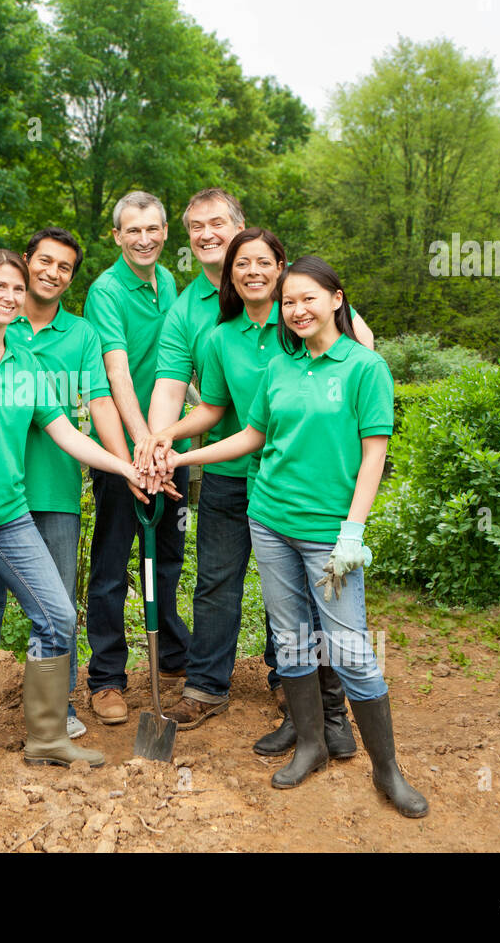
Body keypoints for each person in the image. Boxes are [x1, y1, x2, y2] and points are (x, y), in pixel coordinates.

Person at [162, 256, 428, 818]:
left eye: (308, 298)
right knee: (290, 638)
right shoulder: (280, 368)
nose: (297, 309)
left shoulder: (363, 367)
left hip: (329, 533)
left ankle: (389, 772)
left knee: (351, 649)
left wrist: (352, 532)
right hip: (271, 521)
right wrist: (183, 455)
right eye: (289, 302)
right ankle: (310, 745)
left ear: (336, 299)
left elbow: (374, 454)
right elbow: (252, 435)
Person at [139, 221, 371, 759]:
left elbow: (358, 356)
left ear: (282, 266)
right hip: (229, 478)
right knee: (217, 583)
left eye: (263, 261)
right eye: (242, 264)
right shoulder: (220, 337)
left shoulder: (303, 329)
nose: (252, 271)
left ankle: (300, 698)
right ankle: (206, 687)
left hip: (295, 485)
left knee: (298, 602)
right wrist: (166, 436)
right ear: (230, 275)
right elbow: (217, 411)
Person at [0, 248, 146, 772]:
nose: (10, 297)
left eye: (16, 290)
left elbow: (64, 433)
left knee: (58, 613)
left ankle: (45, 737)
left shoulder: (26, 363)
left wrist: (124, 466)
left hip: (11, 514)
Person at [81, 191, 190, 725]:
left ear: (165, 231)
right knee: (110, 565)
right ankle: (106, 678)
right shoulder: (106, 292)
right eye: (133, 230)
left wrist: (166, 444)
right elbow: (117, 372)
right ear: (118, 236)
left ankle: (170, 655)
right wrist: (136, 454)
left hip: (170, 450)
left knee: (167, 557)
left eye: (152, 228)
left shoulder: (168, 282)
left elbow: (176, 364)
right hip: (124, 452)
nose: (143, 239)